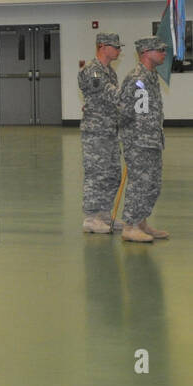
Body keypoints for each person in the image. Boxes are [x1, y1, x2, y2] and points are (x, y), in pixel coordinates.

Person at [117, 37, 169, 243]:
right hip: (139, 140)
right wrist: (133, 137)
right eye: (160, 50)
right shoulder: (138, 78)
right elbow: (128, 111)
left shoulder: (150, 76)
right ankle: (130, 226)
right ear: (146, 52)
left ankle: (141, 222)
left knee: (152, 184)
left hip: (152, 138)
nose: (164, 53)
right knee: (139, 183)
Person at [78, 32, 123, 234]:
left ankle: (104, 213)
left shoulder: (109, 71)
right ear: (103, 47)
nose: (119, 50)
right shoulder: (93, 71)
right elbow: (109, 94)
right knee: (96, 173)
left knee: (112, 173)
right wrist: (135, 88)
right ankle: (91, 217)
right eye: (116, 47)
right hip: (96, 131)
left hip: (110, 130)